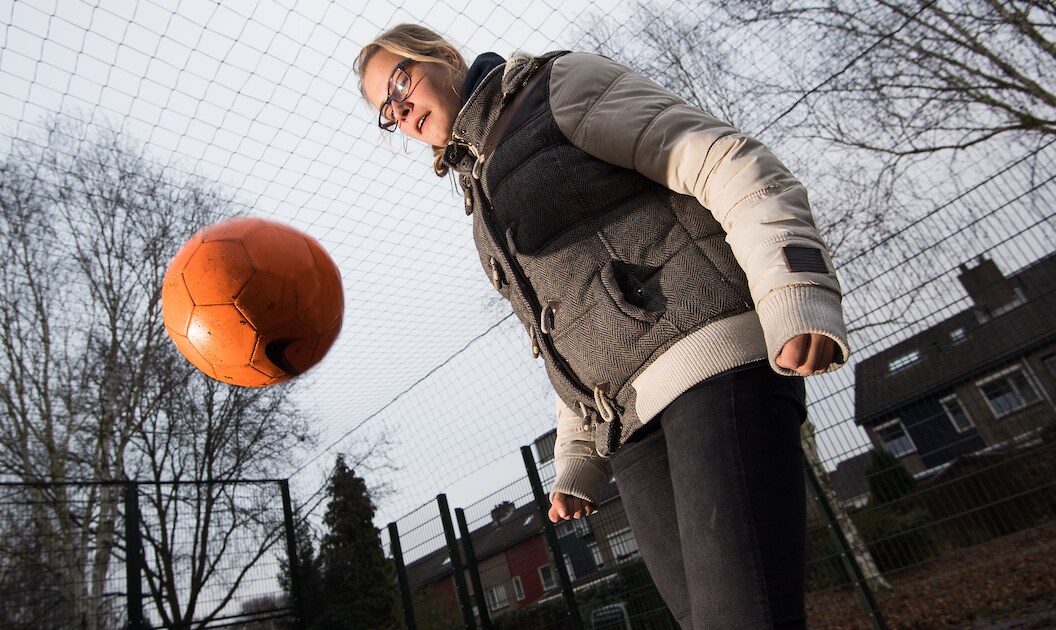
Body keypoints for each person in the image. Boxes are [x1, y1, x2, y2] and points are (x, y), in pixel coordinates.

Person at [355, 23, 849, 629]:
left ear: (444, 58)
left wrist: (794, 287)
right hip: (631, 428)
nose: (398, 108)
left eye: (400, 80)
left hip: (713, 363)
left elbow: (722, 160)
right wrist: (578, 458)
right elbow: (565, 329)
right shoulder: (481, 193)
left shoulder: (555, 87)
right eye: (384, 110)